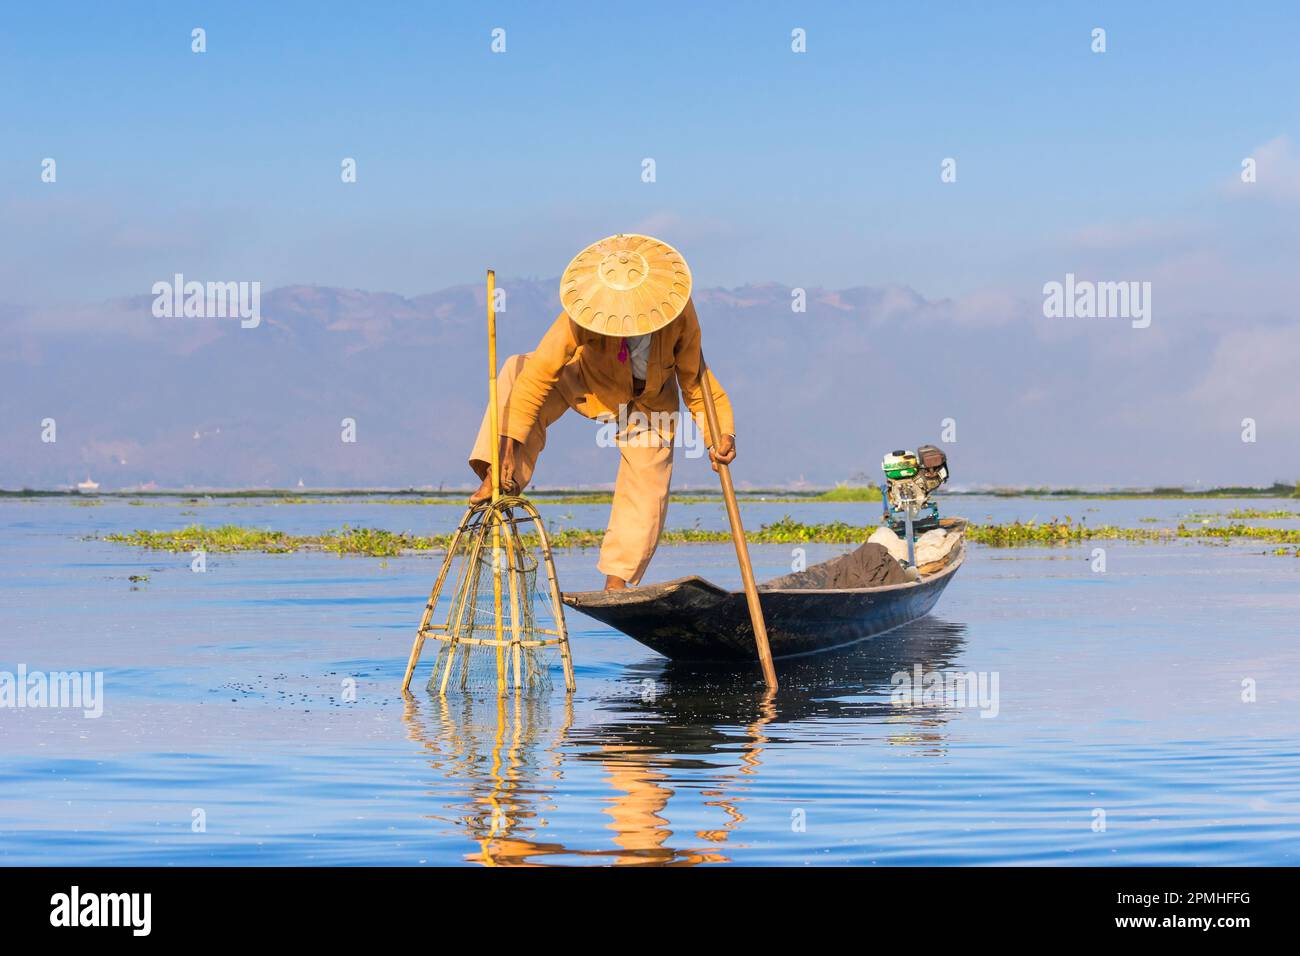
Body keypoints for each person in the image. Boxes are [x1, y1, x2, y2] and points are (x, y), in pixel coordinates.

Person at [468, 234, 736, 590]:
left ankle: (617, 582)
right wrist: (509, 445)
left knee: (648, 481)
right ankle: (502, 476)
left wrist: (720, 437)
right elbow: (537, 377)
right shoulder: (584, 312)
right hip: (586, 385)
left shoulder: (678, 313)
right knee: (517, 368)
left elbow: (697, 382)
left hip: (651, 402)